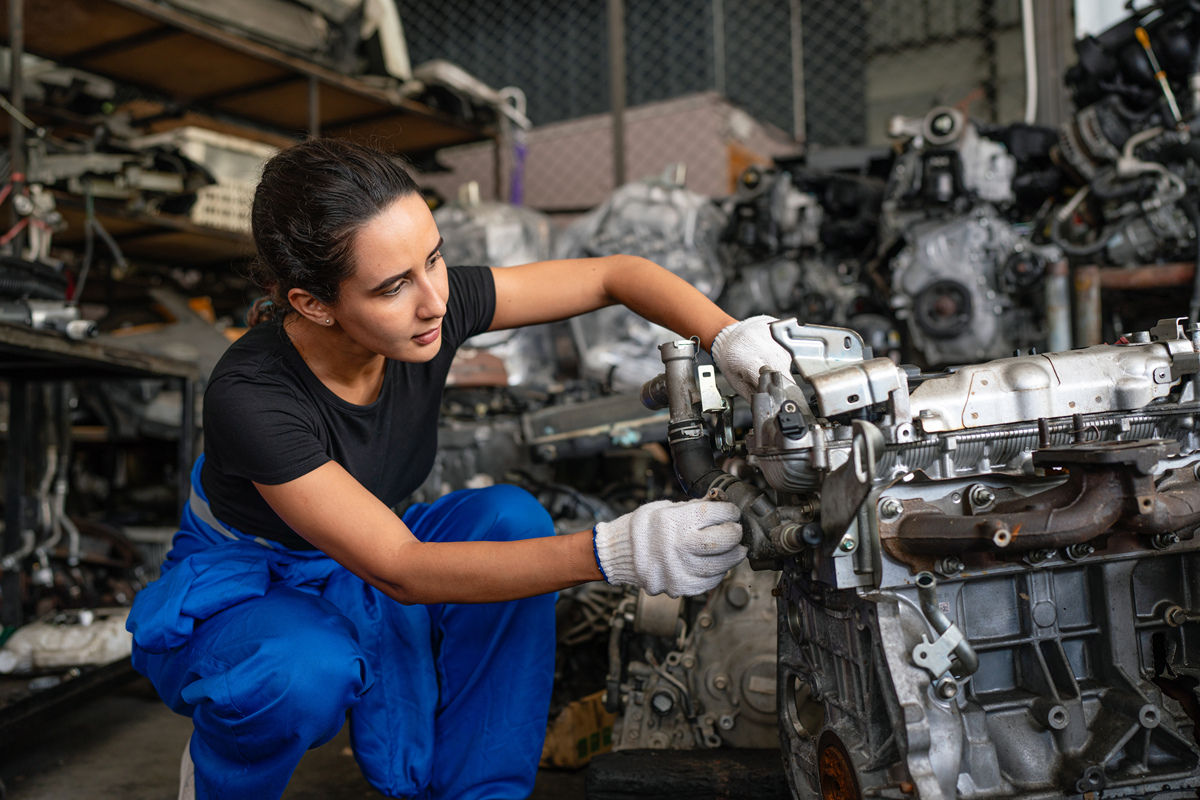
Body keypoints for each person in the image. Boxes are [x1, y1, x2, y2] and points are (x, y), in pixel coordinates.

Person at [125, 138, 790, 800]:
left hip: (375, 546)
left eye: (434, 259)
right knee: (301, 673)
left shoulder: (430, 307)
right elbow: (402, 569)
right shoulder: (252, 395)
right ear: (314, 304)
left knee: (508, 520)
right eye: (392, 287)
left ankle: (483, 792)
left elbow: (614, 275)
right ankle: (221, 771)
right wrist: (616, 551)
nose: (434, 302)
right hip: (256, 576)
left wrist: (732, 337)